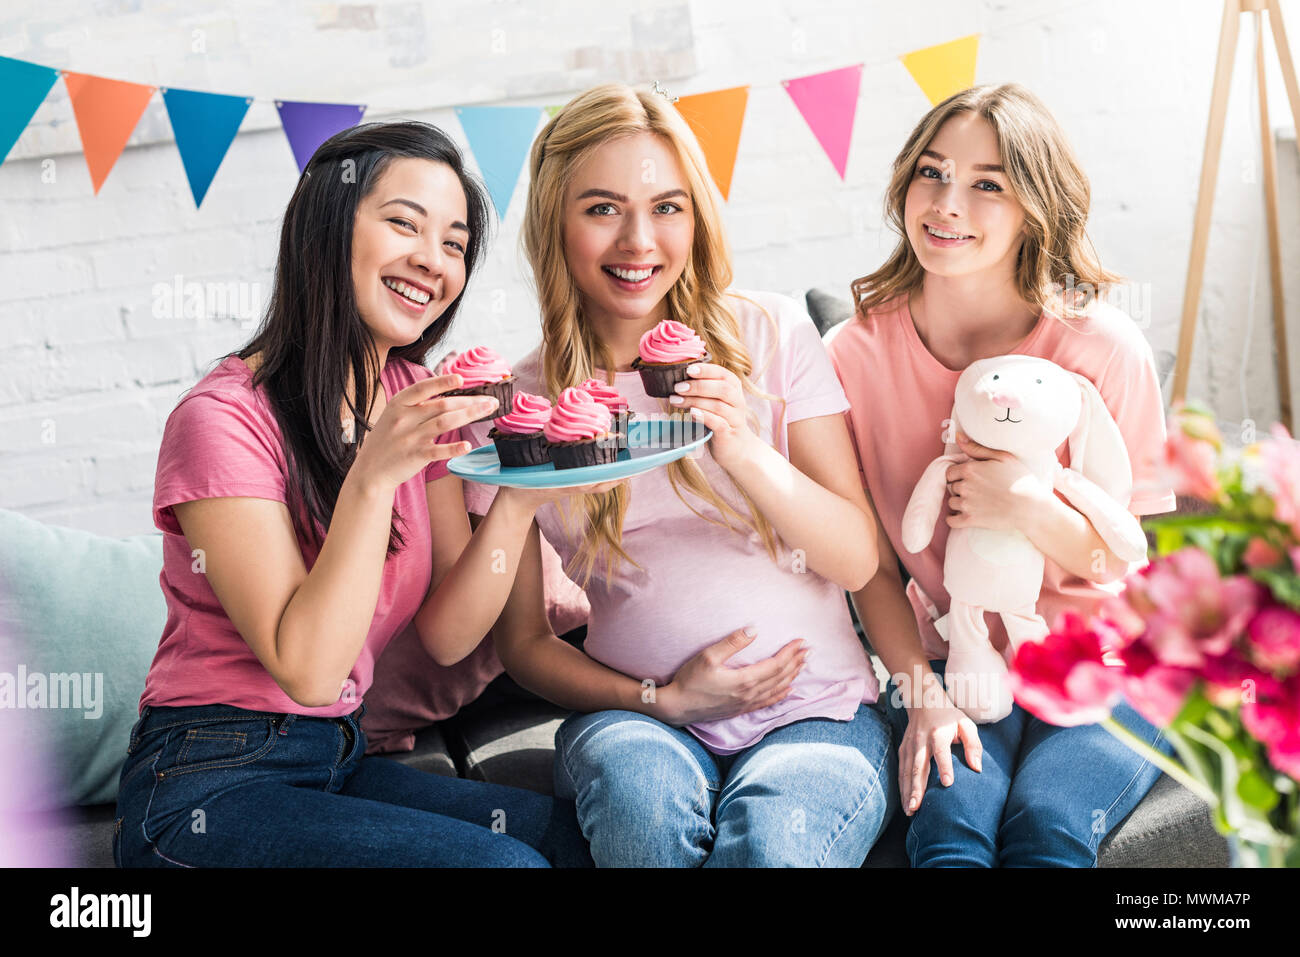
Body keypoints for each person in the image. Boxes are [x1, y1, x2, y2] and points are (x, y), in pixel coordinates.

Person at [114, 121, 617, 868]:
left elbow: (449, 632)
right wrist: (374, 474)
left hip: (335, 756)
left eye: (453, 242)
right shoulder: (221, 420)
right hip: (206, 781)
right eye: (404, 224)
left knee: (580, 845)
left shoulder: (412, 394)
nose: (432, 260)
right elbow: (308, 667)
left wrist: (520, 493)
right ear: (327, 227)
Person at [465, 83, 896, 867]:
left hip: (816, 712)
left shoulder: (770, 333)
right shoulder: (523, 405)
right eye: (601, 208)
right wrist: (659, 699)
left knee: (773, 847)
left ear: (696, 217)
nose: (639, 240)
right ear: (555, 221)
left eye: (667, 206)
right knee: (641, 816)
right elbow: (523, 644)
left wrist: (741, 447)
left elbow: (856, 557)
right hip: (638, 719)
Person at [824, 83, 1176, 867]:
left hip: (1104, 662)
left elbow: (1129, 561)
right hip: (953, 656)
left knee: (1048, 827)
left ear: (1036, 209)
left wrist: (1024, 504)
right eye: (931, 172)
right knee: (950, 834)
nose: (947, 203)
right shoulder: (851, 354)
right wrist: (921, 692)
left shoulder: (1105, 349)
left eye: (989, 184)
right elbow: (870, 565)